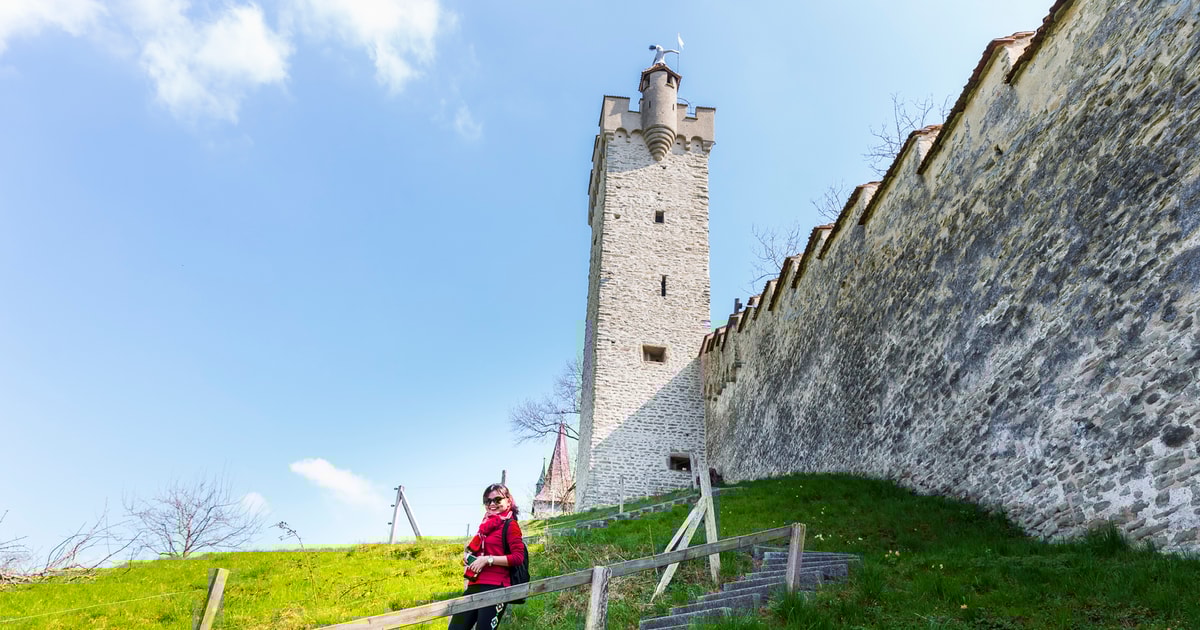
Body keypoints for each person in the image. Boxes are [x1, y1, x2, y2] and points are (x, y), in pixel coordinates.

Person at [447, 483, 526, 630]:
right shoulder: (484, 527)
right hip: (474, 585)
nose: (492, 504)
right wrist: (470, 557)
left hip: (496, 588)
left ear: (508, 501)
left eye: (497, 500)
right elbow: (479, 550)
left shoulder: (510, 525)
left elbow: (518, 558)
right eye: (488, 501)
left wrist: (487, 560)